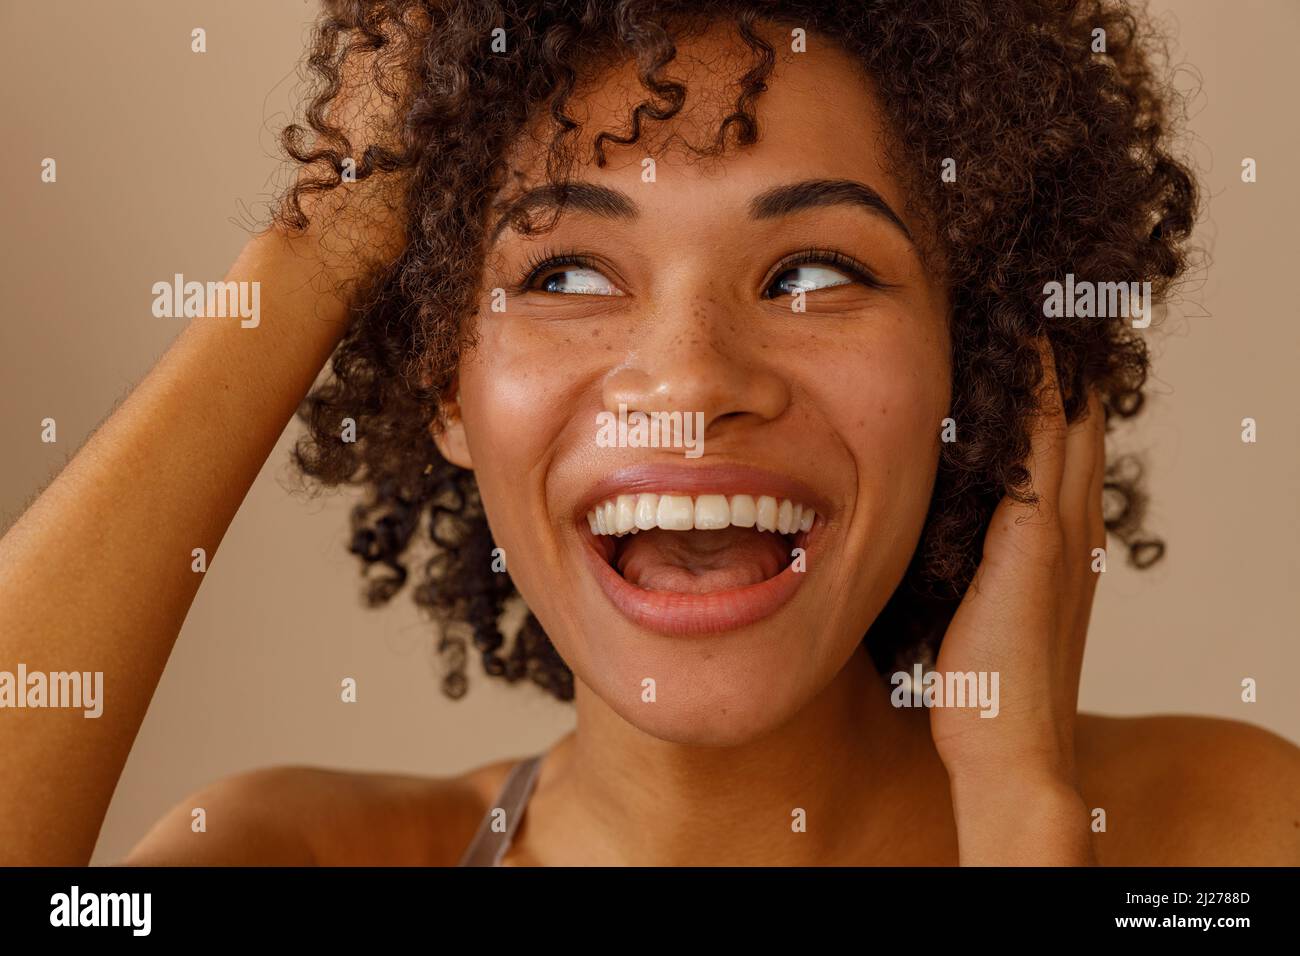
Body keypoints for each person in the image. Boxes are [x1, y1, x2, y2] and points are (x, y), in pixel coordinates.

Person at [2, 0, 1296, 867]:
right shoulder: (293, 858)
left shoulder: (1229, 833)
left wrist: (1021, 813)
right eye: (564, 276)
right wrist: (320, 250)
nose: (689, 382)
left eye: (810, 273)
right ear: (443, 385)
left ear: (982, 359)